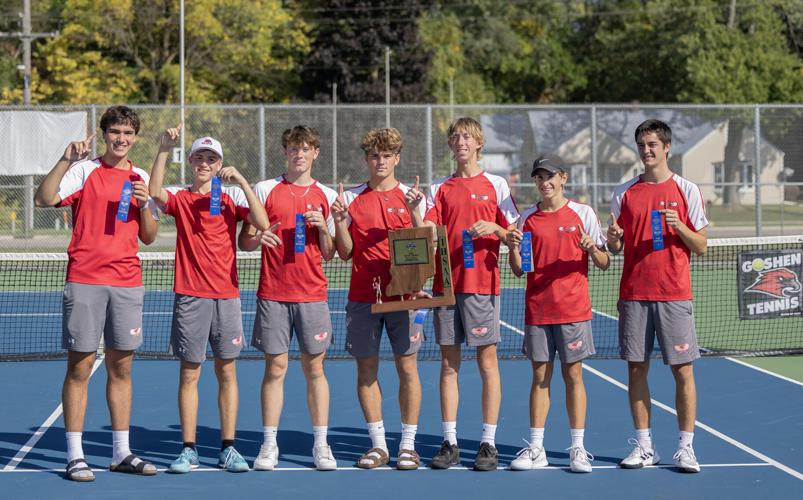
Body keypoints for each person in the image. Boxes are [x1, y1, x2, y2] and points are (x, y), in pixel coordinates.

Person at [34, 106, 158, 481]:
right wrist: (65, 159)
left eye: (128, 132)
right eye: (115, 131)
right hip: (85, 280)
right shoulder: (84, 171)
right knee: (80, 367)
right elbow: (44, 198)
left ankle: (121, 452)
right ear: (105, 134)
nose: (121, 138)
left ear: (135, 137)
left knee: (122, 368)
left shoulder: (141, 177)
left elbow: (149, 236)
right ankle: (75, 455)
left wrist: (144, 204)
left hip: (126, 283)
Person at [148, 128, 269, 473]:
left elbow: (261, 222)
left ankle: (228, 448)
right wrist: (163, 149)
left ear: (219, 164)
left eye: (211, 158)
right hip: (190, 296)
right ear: (190, 161)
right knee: (190, 374)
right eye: (199, 157)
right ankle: (189, 449)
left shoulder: (231, 198)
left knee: (227, 371)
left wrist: (243, 181)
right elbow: (155, 193)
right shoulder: (181, 197)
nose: (204, 163)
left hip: (227, 296)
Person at [406, 117, 519, 471]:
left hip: (482, 286)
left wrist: (497, 229)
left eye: (467, 136)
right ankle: (450, 441)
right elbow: (426, 230)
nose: (460, 142)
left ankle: (488, 443)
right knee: (448, 365)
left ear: (479, 142)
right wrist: (413, 211)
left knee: (488, 365)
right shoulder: (439, 187)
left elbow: (515, 233)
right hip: (445, 287)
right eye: (455, 137)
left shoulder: (497, 184)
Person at [607, 119, 708, 473]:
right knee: (636, 369)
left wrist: (680, 227)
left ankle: (686, 448)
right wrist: (613, 238)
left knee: (682, 371)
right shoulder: (624, 193)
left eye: (653, 144)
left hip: (674, 296)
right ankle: (645, 446)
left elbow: (702, 246)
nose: (647, 151)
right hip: (634, 295)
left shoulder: (687, 190)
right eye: (642, 145)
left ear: (667, 148)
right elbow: (614, 247)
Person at [239, 125, 339, 471]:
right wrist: (259, 237)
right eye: (293, 149)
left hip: (312, 294)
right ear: (285, 152)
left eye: (306, 148)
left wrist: (323, 228)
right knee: (275, 368)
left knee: (315, 368)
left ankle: (322, 445)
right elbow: (245, 240)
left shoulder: (326, 194)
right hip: (273, 294)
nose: (299, 154)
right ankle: (268, 445)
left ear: (316, 153)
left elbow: (330, 253)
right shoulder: (265, 189)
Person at [505, 153, 609, 473]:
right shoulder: (527, 220)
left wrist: (592, 248)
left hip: (573, 311)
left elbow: (604, 262)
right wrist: (511, 246)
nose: (544, 182)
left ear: (563, 177)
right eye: (538, 177)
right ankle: (536, 448)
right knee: (539, 377)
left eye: (550, 176)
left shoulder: (583, 213)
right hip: (538, 311)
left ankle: (578, 448)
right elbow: (521, 270)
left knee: (573, 376)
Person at [330, 128, 426, 470]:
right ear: (366, 159)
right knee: (366, 371)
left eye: (387, 155)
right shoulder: (352, 199)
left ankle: (409, 446)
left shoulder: (413, 197)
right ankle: (379, 445)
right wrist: (341, 222)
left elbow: (425, 247)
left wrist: (415, 214)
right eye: (374, 155)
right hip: (363, 298)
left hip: (406, 298)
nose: (380, 161)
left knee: (408, 369)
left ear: (397, 158)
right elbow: (344, 252)